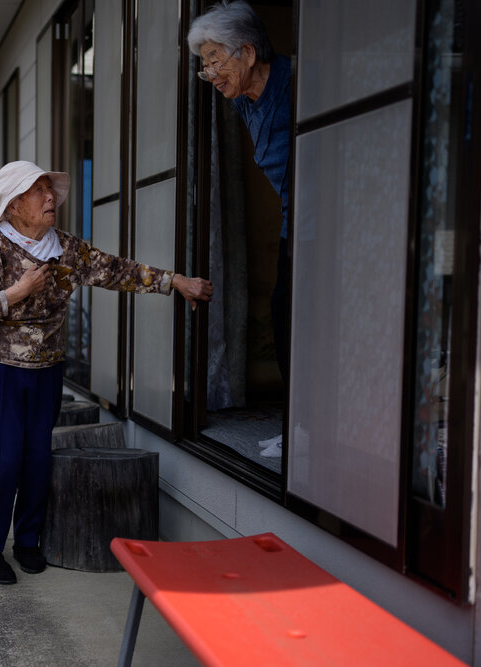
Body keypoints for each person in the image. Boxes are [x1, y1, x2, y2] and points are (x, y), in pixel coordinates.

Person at [0, 160, 213, 584]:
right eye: (37, 191)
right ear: (14, 205)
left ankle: (27, 542)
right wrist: (19, 291)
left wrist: (176, 282)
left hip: (45, 368)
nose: (49, 197)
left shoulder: (67, 249)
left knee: (37, 458)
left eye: (49, 190)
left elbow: (117, 270)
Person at [188, 1, 291, 457]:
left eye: (215, 60)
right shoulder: (244, 102)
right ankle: (301, 429)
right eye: (204, 65)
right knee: (284, 313)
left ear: (248, 53)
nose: (210, 73)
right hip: (297, 219)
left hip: (331, 221)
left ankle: (307, 433)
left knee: (297, 317)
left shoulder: (296, 84)